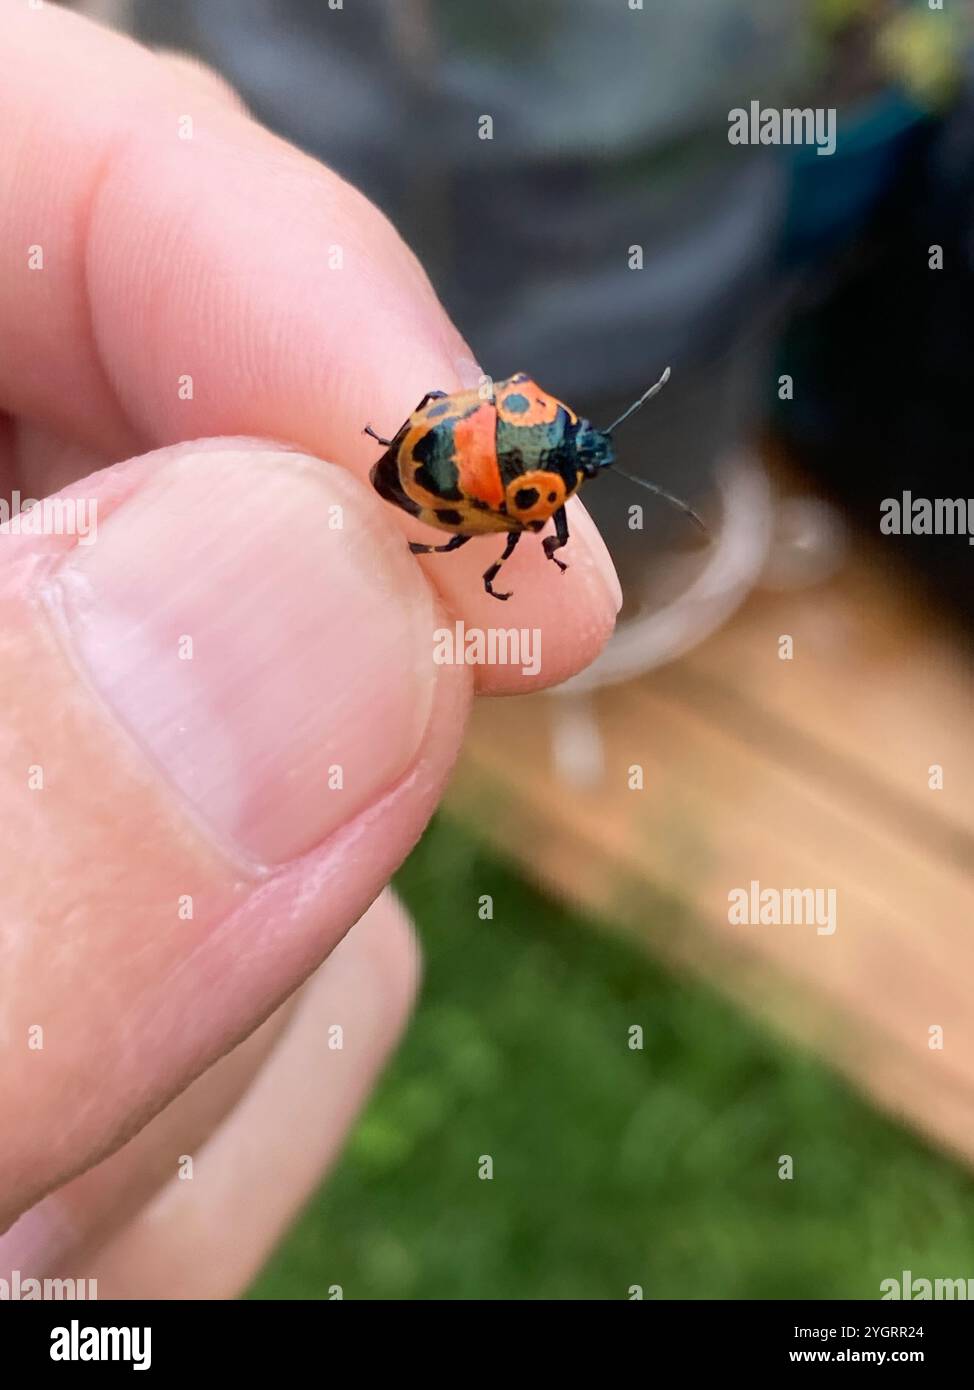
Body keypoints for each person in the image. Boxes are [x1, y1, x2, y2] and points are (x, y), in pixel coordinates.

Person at [0, 3, 619, 1297]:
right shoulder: (527, 468)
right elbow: (490, 490)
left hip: (421, 464)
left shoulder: (525, 445)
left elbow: (484, 456)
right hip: (420, 470)